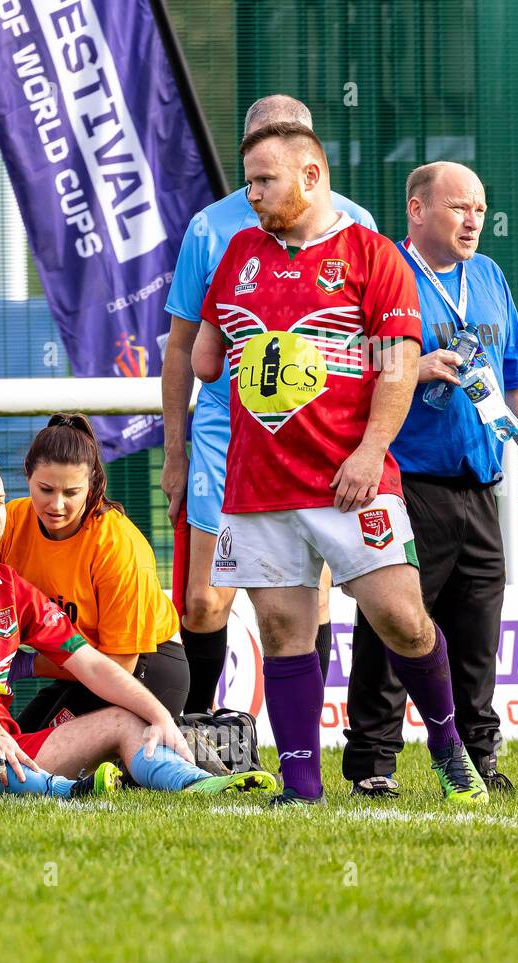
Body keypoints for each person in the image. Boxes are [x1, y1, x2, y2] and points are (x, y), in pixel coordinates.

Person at [192, 121, 490, 807]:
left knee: (402, 619)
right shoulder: (239, 251)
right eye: (249, 180)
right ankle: (302, 787)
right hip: (258, 482)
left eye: (265, 180)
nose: (253, 193)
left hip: (350, 479)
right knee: (282, 630)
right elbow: (208, 359)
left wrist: (369, 449)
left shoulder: (369, 255)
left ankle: (449, 753)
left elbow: (398, 365)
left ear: (312, 175)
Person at [0, 447, 278, 799]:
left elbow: (92, 664)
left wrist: (160, 716)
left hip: (5, 749)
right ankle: (63, 791)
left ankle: (196, 782)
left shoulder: (11, 587)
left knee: (123, 720)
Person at [161, 95, 377, 718]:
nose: (261, 174)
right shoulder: (211, 227)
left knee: (315, 599)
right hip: (224, 441)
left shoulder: (357, 226)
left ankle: (303, 739)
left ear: (308, 157)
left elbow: (382, 344)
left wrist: (366, 442)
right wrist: (174, 454)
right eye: (254, 157)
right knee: (205, 599)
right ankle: (199, 730)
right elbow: (184, 352)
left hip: (317, 443)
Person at [343, 162, 518, 798]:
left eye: (480, 210)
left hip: (480, 479)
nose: (472, 221)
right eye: (458, 207)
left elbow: (515, 374)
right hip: (410, 482)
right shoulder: (386, 271)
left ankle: (481, 758)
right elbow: (349, 360)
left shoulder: (487, 276)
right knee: (395, 625)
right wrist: (414, 365)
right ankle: (373, 764)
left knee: (478, 631)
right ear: (417, 209)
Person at [0, 413, 189, 733]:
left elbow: (118, 666)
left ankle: (201, 737)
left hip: (141, 670)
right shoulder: (10, 522)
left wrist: (28, 665)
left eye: (71, 492)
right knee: (20, 748)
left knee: (44, 762)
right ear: (27, 475)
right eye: (45, 489)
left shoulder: (117, 545)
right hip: (79, 671)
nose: (57, 505)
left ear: (93, 484)